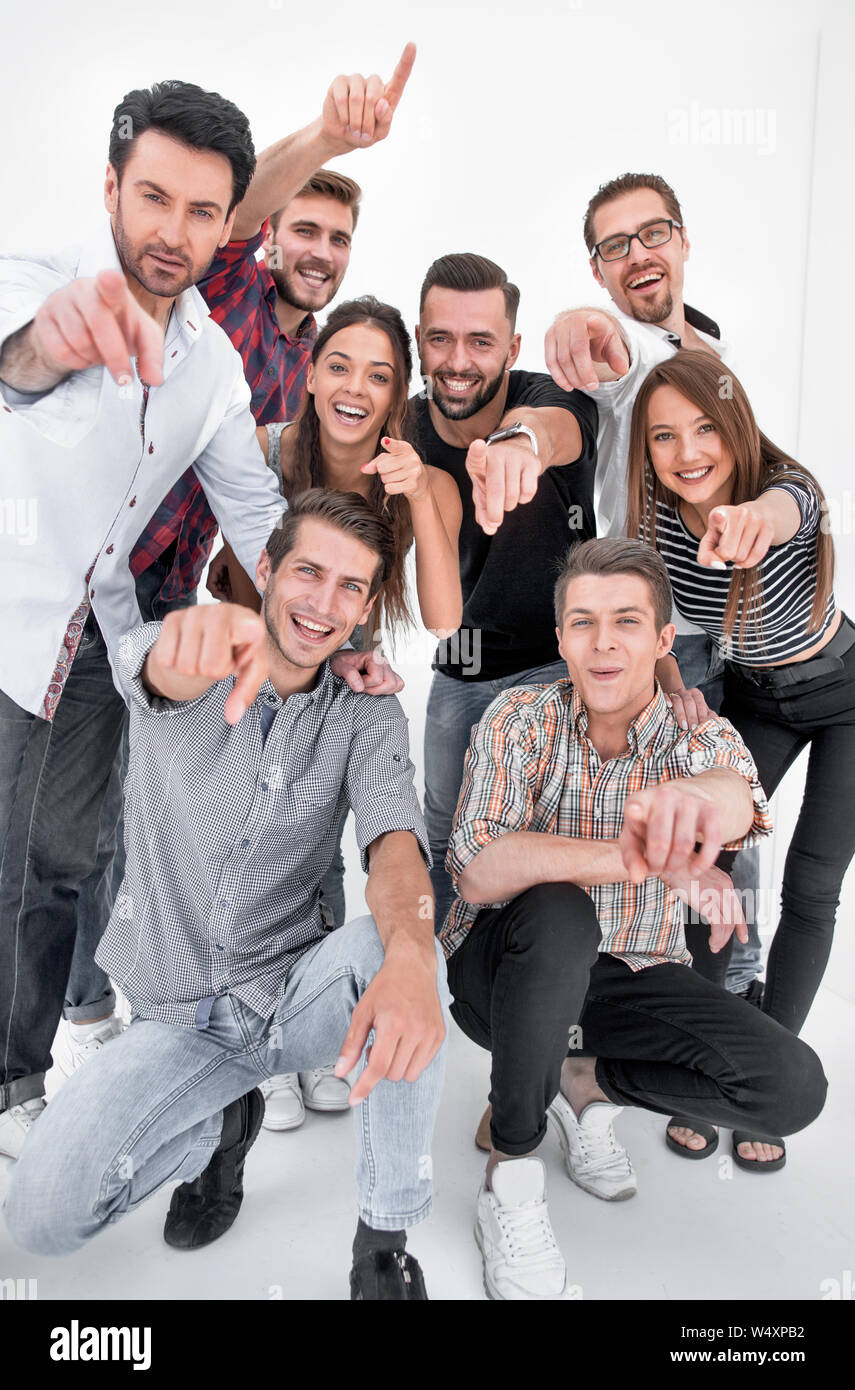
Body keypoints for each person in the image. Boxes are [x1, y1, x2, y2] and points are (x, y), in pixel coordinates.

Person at [0, 78, 396, 1162]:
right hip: (13, 628)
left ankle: (57, 1045)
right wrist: (51, 340)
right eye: (153, 199)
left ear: (230, 227)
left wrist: (336, 632)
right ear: (111, 189)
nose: (171, 233)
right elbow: (16, 362)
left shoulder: (218, 363)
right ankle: (14, 1075)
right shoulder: (43, 275)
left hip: (122, 637)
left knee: (74, 855)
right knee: (19, 866)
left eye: (201, 211)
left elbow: (260, 516)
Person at [4, 490, 449, 1299]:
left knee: (407, 949)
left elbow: (391, 845)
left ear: (369, 605)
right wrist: (189, 643)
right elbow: (161, 672)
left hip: (291, 995)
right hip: (177, 1019)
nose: (323, 604)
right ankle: (216, 1121)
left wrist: (416, 957)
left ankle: (382, 1245)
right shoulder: (183, 655)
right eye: (308, 572)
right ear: (267, 568)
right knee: (39, 1217)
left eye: (350, 587)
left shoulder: (365, 713)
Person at [439, 537, 826, 1300]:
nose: (603, 642)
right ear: (560, 639)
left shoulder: (696, 733)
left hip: (626, 981)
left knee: (790, 1088)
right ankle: (510, 1173)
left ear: (660, 640)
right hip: (506, 975)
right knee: (558, 909)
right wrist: (637, 856)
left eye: (625, 621)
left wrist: (692, 810)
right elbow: (477, 872)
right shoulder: (518, 717)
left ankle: (584, 1083)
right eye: (582, 622)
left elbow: (733, 792)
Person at [213, 296, 463, 1130]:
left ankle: (299, 1033)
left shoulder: (412, 476)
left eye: (381, 376)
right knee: (249, 850)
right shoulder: (265, 448)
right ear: (311, 372)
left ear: (399, 396)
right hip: (242, 665)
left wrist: (420, 491)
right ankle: (250, 1043)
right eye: (341, 365)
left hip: (329, 677)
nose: (356, 387)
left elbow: (442, 618)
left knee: (315, 845)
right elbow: (229, 579)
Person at [625, 349, 852, 1169]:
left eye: (704, 429)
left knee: (811, 887)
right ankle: (713, 1058)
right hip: (755, 700)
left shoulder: (788, 492)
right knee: (704, 853)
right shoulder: (655, 525)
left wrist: (750, 519)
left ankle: (772, 1064)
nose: (687, 453)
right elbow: (649, 610)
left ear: (737, 429)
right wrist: (669, 682)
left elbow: (782, 511)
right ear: (644, 452)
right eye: (662, 438)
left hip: (844, 702)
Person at [543, 171, 762, 1003]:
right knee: (636, 822)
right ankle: (612, 1015)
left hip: (725, 631)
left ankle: (732, 993)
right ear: (596, 269)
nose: (637, 254)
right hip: (652, 642)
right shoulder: (625, 354)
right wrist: (581, 324)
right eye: (613, 245)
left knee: (724, 821)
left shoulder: (707, 351)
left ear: (683, 239)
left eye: (653, 233)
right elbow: (602, 343)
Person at [414, 252, 598, 922]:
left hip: (558, 669)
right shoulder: (405, 428)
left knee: (552, 844)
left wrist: (519, 445)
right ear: (418, 341)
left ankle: (551, 990)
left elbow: (556, 432)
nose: (458, 360)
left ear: (512, 347)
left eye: (480, 342)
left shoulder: (549, 399)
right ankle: (439, 972)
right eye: (440, 338)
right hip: (457, 671)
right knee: (443, 830)